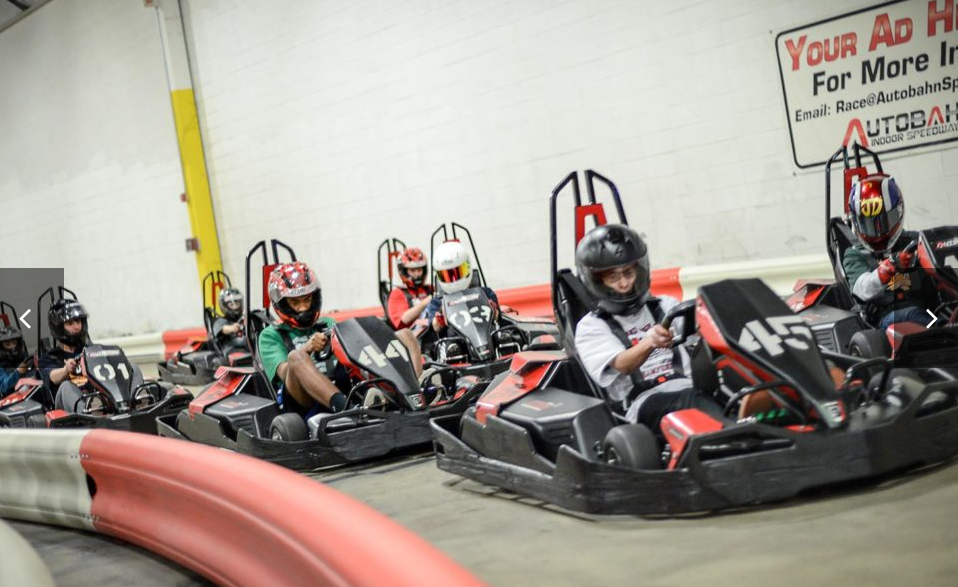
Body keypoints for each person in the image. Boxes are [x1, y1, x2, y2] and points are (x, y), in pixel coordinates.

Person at [573, 224, 720, 428]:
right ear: (597, 281)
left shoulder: (666, 305)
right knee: (693, 401)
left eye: (628, 273)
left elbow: (703, 335)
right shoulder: (591, 327)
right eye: (613, 277)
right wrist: (649, 342)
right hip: (642, 404)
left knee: (730, 385)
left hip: (692, 388)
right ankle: (733, 432)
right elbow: (623, 364)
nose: (624, 283)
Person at [258, 262, 423, 419]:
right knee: (296, 357)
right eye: (295, 302)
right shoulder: (270, 335)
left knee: (405, 334)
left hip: (341, 384)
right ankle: (346, 409)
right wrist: (307, 349)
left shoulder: (328, 323)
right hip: (302, 399)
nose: (303, 308)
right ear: (282, 303)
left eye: (307, 300)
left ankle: (416, 391)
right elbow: (285, 372)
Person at [842, 174, 933, 330]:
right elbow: (862, 289)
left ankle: (945, 328)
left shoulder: (917, 240)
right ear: (857, 222)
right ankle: (944, 331)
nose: (878, 232)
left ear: (898, 212)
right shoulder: (854, 255)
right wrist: (891, 265)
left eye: (885, 221)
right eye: (870, 224)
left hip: (929, 314)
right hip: (885, 322)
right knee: (912, 315)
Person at [422, 240, 500, 336]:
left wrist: (492, 309)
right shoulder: (437, 302)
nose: (453, 280)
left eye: (457, 273)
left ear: (467, 268)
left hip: (488, 335)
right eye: (447, 276)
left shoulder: (486, 293)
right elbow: (434, 325)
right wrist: (440, 319)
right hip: (454, 342)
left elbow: (497, 317)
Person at [38, 298, 90, 412]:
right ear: (59, 328)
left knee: (134, 369)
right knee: (66, 386)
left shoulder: (90, 350)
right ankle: (88, 415)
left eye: (78, 321)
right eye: (70, 323)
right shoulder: (48, 358)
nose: (76, 327)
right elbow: (53, 377)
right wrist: (66, 370)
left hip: (94, 398)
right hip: (64, 410)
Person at [387, 247, 433, 332]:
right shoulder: (397, 293)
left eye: (419, 270)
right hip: (413, 337)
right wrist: (426, 302)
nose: (417, 274)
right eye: (412, 270)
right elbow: (403, 320)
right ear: (404, 271)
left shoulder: (430, 288)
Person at [212, 287, 248, 353]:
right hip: (231, 349)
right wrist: (232, 328)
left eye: (237, 304)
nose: (235, 307)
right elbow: (223, 329)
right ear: (225, 306)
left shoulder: (244, 318)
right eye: (231, 304)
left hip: (246, 345)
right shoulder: (220, 321)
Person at [0, 326, 30, 396]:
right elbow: (4, 386)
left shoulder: (24, 357)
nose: (12, 347)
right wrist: (18, 372)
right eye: (7, 344)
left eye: (14, 343)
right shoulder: (1, 364)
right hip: (11, 398)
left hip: (30, 392)